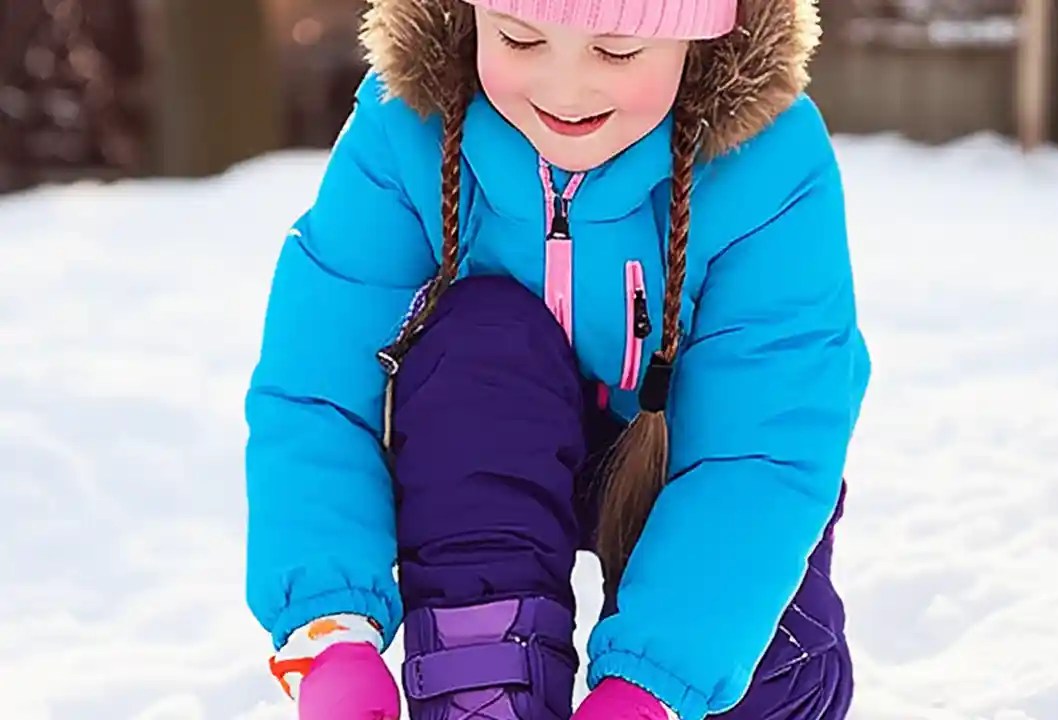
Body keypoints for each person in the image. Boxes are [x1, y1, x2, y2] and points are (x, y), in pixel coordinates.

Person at [245, 0, 872, 718]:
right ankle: (483, 689)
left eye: (617, 52)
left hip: (698, 459)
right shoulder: (406, 128)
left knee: (760, 663)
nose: (565, 89)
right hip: (478, 457)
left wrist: (652, 688)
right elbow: (319, 384)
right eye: (519, 38)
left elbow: (762, 448)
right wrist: (329, 631)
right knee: (480, 335)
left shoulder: (770, 164)